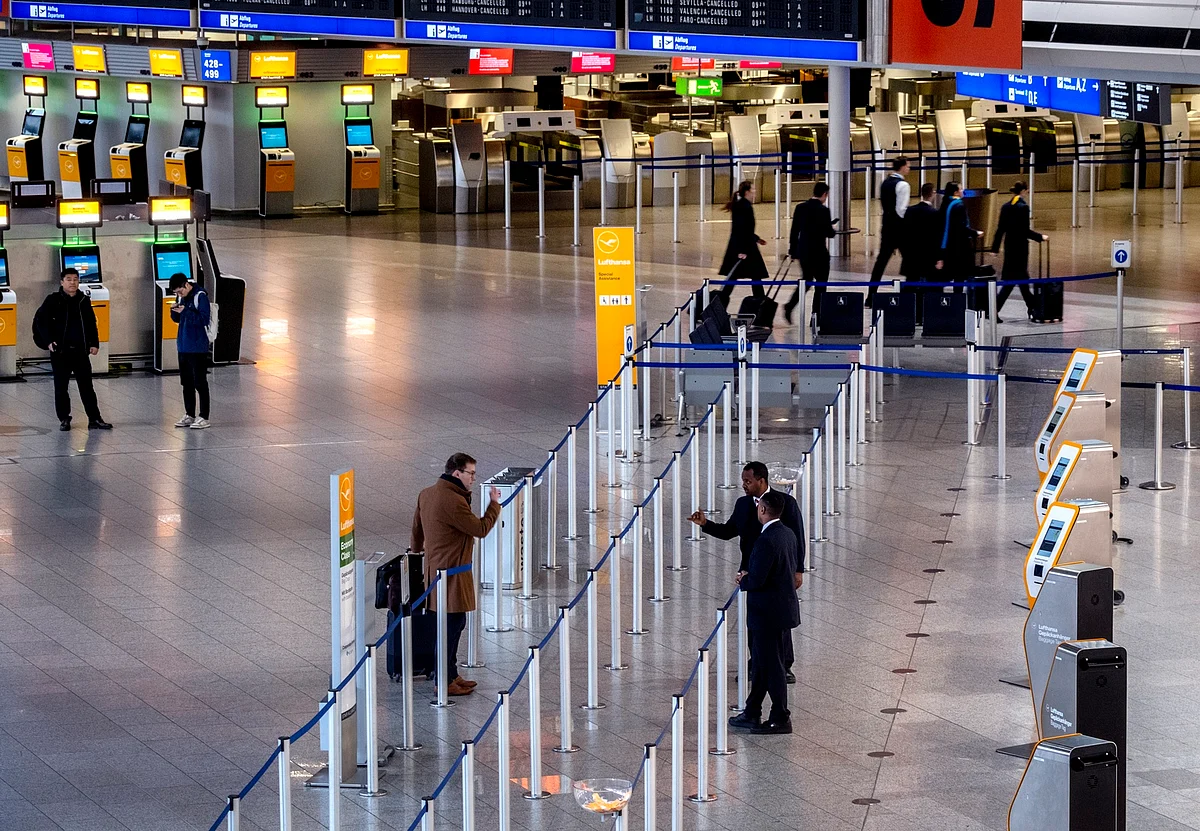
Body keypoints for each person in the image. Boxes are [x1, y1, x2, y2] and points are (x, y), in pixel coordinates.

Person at [689, 461, 804, 682]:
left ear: (762, 480)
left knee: (779, 619)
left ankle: (784, 664)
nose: (744, 485)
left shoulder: (785, 503)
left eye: (748, 481)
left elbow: (797, 537)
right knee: (756, 618)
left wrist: (798, 570)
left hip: (779, 573)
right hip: (752, 572)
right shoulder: (743, 505)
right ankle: (758, 661)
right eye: (743, 481)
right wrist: (706, 524)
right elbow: (729, 531)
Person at [410, 453, 501, 696]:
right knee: (450, 626)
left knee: (454, 623)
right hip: (450, 575)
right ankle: (444, 679)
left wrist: (420, 552)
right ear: (456, 473)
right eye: (470, 473)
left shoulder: (427, 493)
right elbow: (480, 529)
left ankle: (451, 674)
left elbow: (417, 532)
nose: (473, 478)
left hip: (435, 571)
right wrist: (494, 505)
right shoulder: (453, 501)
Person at [727, 490, 800, 734]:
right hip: (780, 611)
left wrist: (743, 579)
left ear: (762, 510)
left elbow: (758, 579)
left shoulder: (766, 540)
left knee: (772, 667)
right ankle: (752, 711)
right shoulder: (787, 534)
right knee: (761, 664)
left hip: (767, 614)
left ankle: (780, 716)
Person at [31, 268, 112, 432]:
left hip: (80, 351)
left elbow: (90, 323)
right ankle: (64, 418)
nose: (72, 282)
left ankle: (94, 418)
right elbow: (40, 322)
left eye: (75, 279)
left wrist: (94, 343)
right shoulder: (53, 300)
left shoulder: (83, 300)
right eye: (69, 279)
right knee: (61, 387)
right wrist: (47, 342)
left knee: (87, 386)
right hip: (60, 352)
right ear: (62, 282)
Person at [783, 182, 837, 325]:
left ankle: (790, 305)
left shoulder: (800, 208)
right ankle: (816, 318)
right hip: (819, 253)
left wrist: (793, 250)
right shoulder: (824, 211)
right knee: (821, 286)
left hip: (804, 252)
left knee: (806, 281)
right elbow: (829, 233)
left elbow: (794, 231)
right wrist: (833, 227)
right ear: (824, 194)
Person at [991, 182, 1047, 322]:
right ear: (1023, 191)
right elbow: (1025, 231)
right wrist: (1040, 237)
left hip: (1010, 248)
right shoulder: (1023, 208)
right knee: (1016, 281)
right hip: (1020, 249)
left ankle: (1032, 308)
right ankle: (1033, 309)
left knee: (1019, 281)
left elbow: (1000, 229)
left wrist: (995, 248)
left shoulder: (1006, 207)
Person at [168, 273, 213, 429]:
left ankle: (204, 416)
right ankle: (189, 414)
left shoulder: (200, 296)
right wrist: (174, 311)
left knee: (200, 382)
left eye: (180, 291)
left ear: (186, 285)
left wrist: (185, 311)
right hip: (183, 346)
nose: (179, 295)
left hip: (198, 347)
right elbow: (177, 319)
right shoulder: (181, 298)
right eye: (176, 294)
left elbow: (203, 319)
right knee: (186, 382)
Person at [868, 157, 912, 307]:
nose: (909, 168)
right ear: (902, 167)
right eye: (908, 165)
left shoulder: (885, 183)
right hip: (900, 229)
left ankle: (870, 295)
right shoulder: (903, 185)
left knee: (881, 262)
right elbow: (901, 210)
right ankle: (909, 293)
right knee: (910, 260)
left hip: (887, 226)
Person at [716, 180, 768, 306]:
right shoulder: (744, 206)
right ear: (747, 192)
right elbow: (741, 229)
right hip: (744, 248)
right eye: (753, 190)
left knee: (738, 277)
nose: (755, 192)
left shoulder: (742, 205)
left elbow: (744, 229)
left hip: (744, 245)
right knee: (751, 276)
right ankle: (760, 304)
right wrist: (742, 251)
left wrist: (756, 238)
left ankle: (760, 303)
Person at [899, 183, 940, 324]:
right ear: (932, 193)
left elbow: (902, 235)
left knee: (910, 286)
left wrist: (905, 253)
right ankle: (924, 316)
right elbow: (936, 238)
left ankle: (907, 314)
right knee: (928, 288)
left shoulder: (910, 211)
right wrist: (938, 258)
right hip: (927, 258)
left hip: (911, 257)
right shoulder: (934, 213)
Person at [937, 181, 979, 285]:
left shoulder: (944, 203)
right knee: (959, 277)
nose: (962, 191)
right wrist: (975, 233)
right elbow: (962, 227)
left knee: (945, 278)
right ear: (955, 192)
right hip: (959, 248)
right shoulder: (959, 205)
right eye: (960, 189)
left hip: (946, 246)